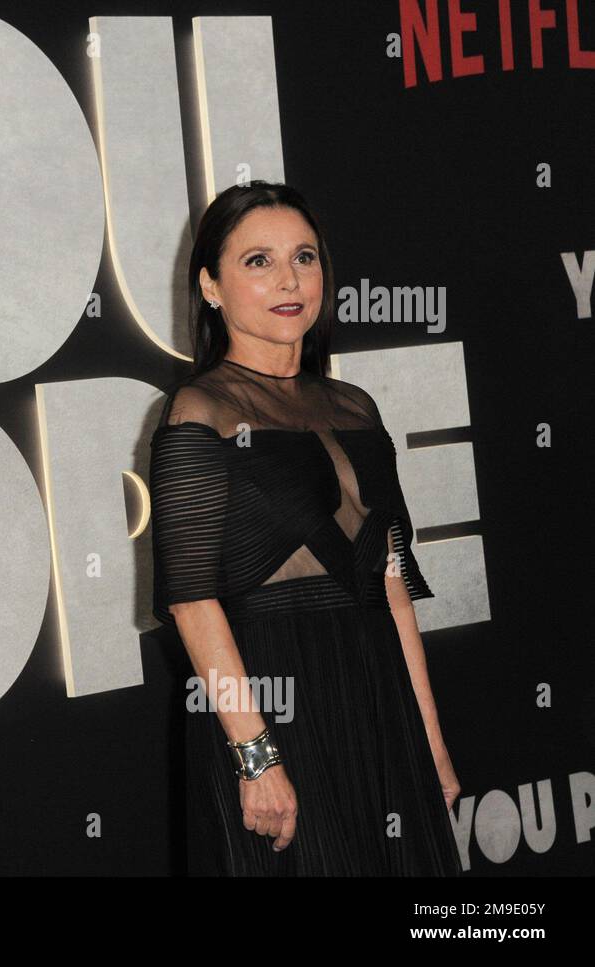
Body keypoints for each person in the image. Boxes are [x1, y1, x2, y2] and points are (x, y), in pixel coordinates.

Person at [150, 180, 462, 876]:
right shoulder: (201, 412)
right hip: (269, 703)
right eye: (258, 260)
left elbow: (391, 585)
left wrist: (431, 743)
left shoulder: (355, 407)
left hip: (377, 699)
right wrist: (255, 755)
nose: (289, 279)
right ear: (210, 285)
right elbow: (191, 602)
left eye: (305, 257)